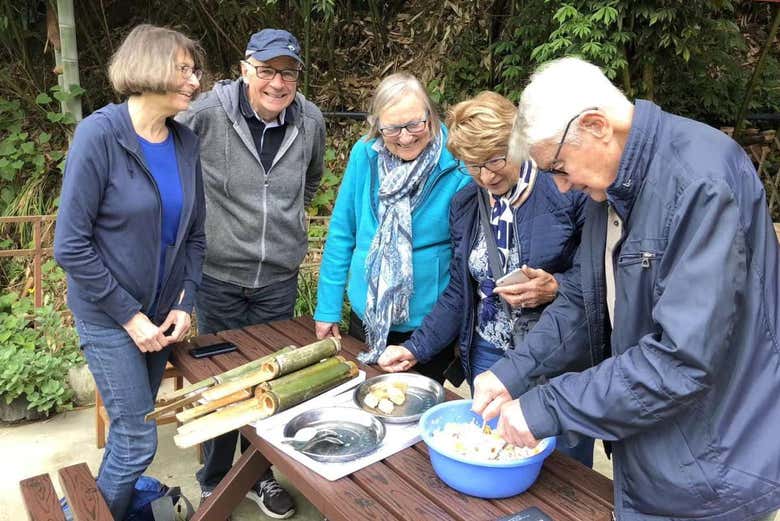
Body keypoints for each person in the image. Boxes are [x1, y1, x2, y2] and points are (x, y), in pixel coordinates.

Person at [472, 57, 780, 520]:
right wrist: (511, 373)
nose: (561, 187)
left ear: (597, 126)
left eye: (558, 167)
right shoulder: (612, 185)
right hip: (654, 450)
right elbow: (584, 299)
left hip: (714, 468)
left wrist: (544, 406)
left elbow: (680, 361)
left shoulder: (702, 181)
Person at [378, 91, 593, 466]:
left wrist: (556, 287)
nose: (487, 175)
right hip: (489, 358)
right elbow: (461, 291)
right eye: (473, 165)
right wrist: (415, 347)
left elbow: (598, 278)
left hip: (557, 359)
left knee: (563, 473)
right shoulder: (465, 204)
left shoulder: (565, 190)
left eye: (496, 159)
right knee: (492, 453)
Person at [53, 24, 205, 519]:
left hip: (159, 317)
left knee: (127, 434)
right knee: (139, 440)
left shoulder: (185, 142)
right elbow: (70, 245)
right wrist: (129, 316)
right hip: (109, 318)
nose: (195, 81)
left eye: (195, 70)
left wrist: (184, 304)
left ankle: (95, 506)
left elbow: (195, 237)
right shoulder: (99, 135)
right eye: (184, 69)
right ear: (149, 67)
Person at [176, 28, 325, 519]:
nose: (278, 82)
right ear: (245, 69)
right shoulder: (203, 115)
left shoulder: (310, 120)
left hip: (278, 280)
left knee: (269, 385)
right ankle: (216, 482)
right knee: (221, 387)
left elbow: (312, 181)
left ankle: (259, 478)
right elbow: (167, 170)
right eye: (267, 70)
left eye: (288, 72)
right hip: (217, 278)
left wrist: (287, 226)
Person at [313, 72, 471, 380]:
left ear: (431, 115)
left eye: (415, 124)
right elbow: (343, 231)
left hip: (428, 324)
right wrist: (328, 307)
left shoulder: (456, 162)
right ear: (377, 125)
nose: (406, 136)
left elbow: (464, 257)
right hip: (367, 314)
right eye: (393, 128)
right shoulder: (365, 154)